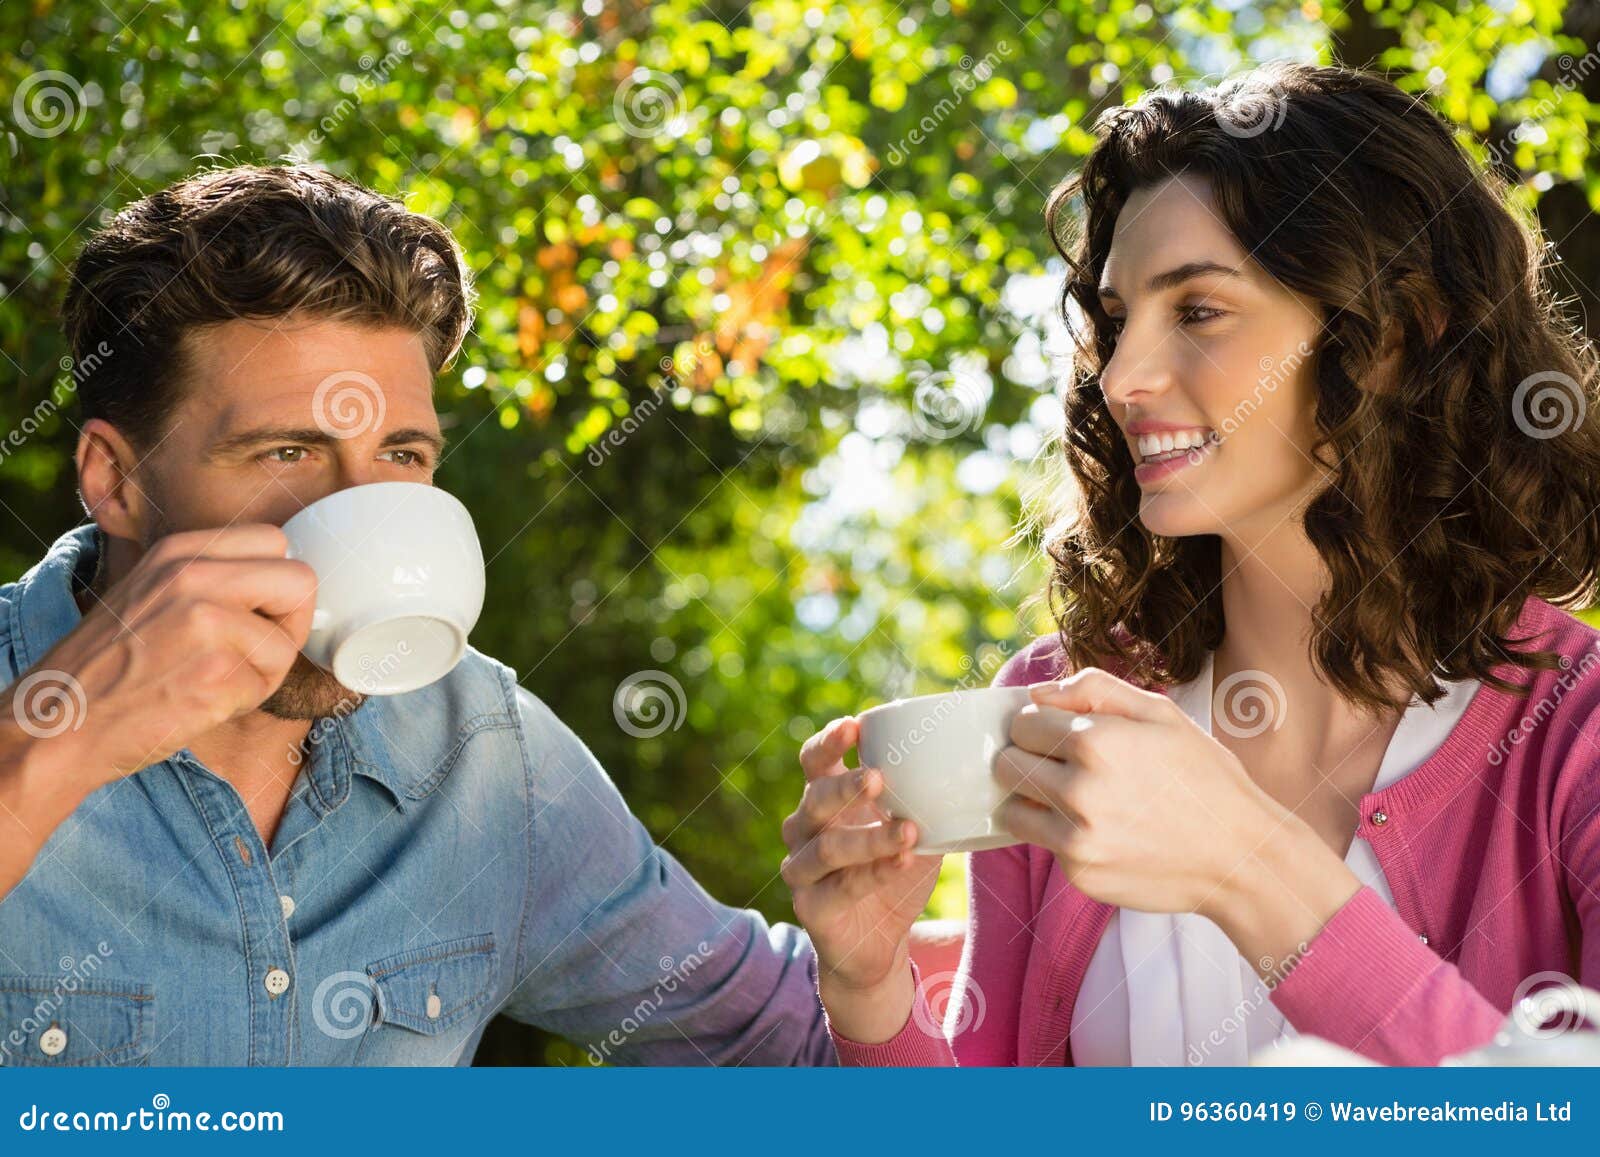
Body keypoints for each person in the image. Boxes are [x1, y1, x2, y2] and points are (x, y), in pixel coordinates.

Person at [781, 61, 1600, 1067]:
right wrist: (870, 992)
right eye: (1117, 321)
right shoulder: (1053, 705)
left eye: (1199, 311)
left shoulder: (1575, 736)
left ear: (1397, 332)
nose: (1121, 376)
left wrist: (1245, 867)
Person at [0, 164, 834, 1066]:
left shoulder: (484, 754)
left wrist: (874, 960)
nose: (360, 509)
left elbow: (784, 1047)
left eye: (400, 452)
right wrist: (61, 741)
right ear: (116, 481)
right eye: (288, 451)